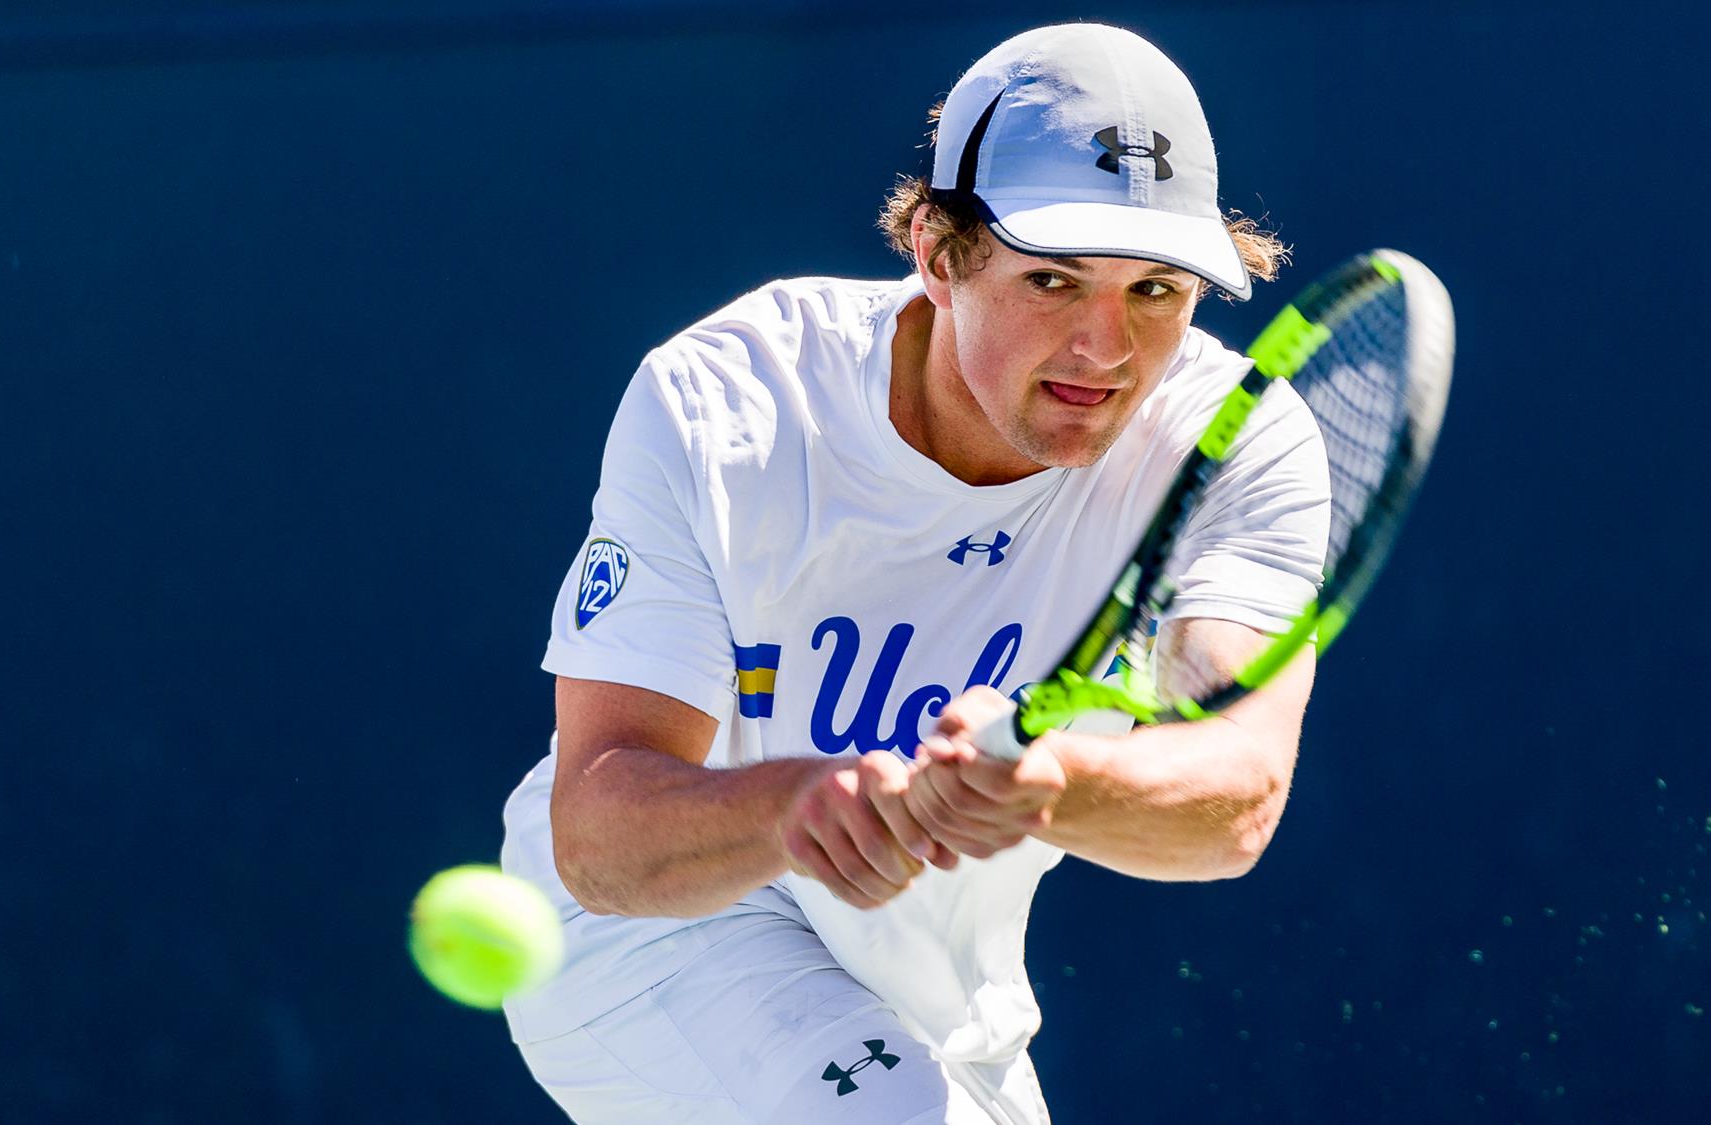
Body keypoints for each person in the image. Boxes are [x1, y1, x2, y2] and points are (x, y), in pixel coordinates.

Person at [499, 22, 1328, 1124]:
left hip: (937, 1002)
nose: (1104, 348)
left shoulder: (1231, 445)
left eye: (1154, 292)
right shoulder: (731, 402)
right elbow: (600, 841)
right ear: (938, 254)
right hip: (646, 937)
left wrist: (1051, 790)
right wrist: (798, 804)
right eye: (1052, 279)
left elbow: (1234, 801)